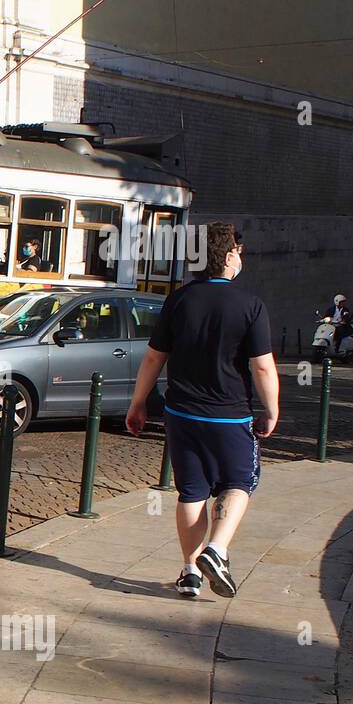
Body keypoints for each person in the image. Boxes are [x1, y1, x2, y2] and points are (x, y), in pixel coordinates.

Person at [126, 222, 279, 599]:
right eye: (239, 253)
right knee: (239, 483)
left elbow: (153, 358)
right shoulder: (250, 305)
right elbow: (262, 366)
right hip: (229, 414)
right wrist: (272, 409)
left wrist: (138, 403)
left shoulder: (178, 300)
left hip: (182, 414)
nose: (241, 259)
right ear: (229, 257)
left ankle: (190, 571)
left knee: (191, 491)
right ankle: (217, 549)